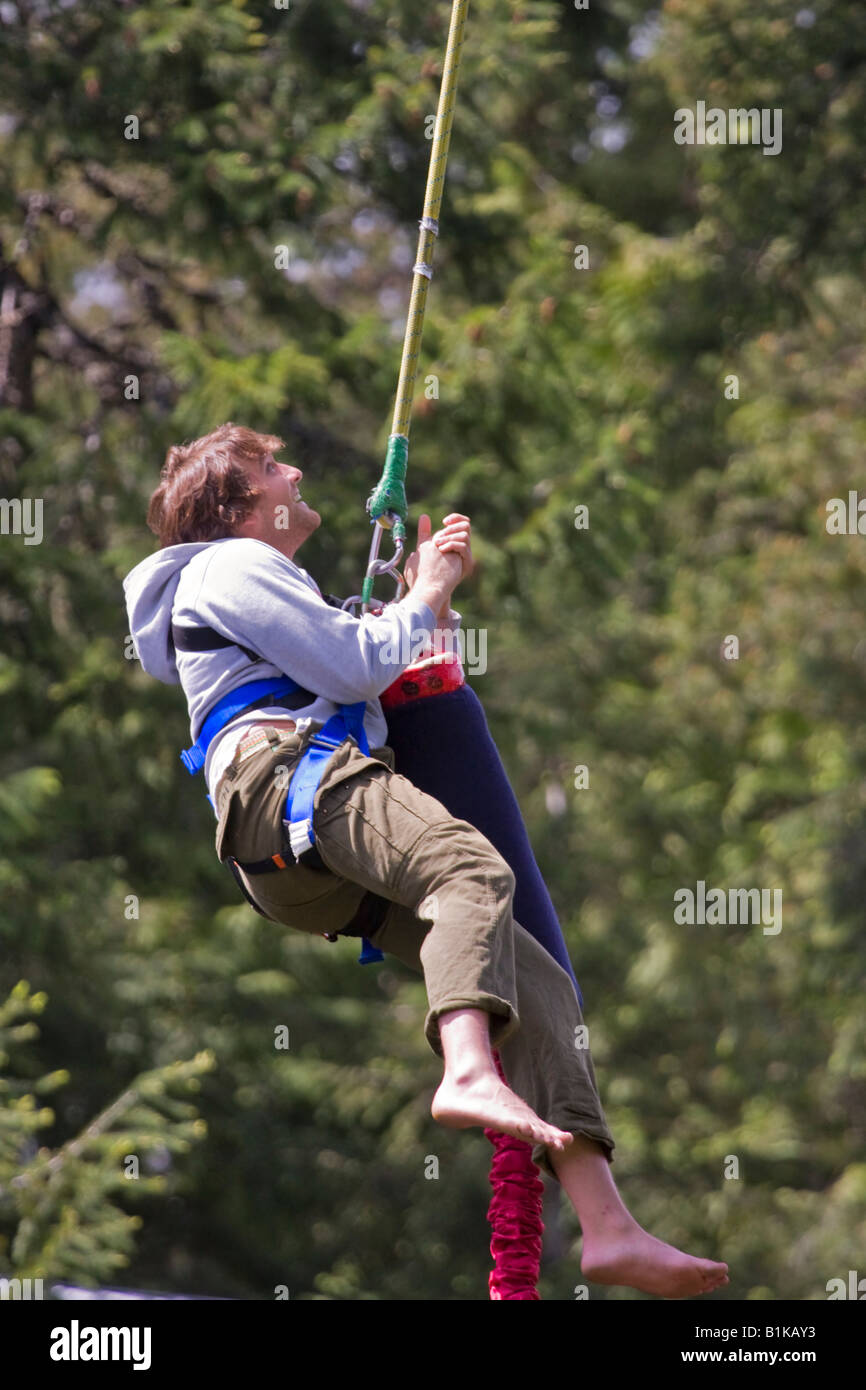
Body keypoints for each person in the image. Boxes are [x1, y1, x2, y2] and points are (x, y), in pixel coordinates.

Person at [124, 423, 729, 1298]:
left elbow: (355, 674)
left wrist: (421, 606)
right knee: (472, 870)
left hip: (298, 858)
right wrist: (427, 592)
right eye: (271, 466)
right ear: (238, 506)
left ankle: (606, 1227)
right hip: (289, 789)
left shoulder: (264, 582)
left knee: (537, 980)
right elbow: (353, 664)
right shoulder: (226, 566)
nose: (294, 470)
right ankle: (469, 1071)